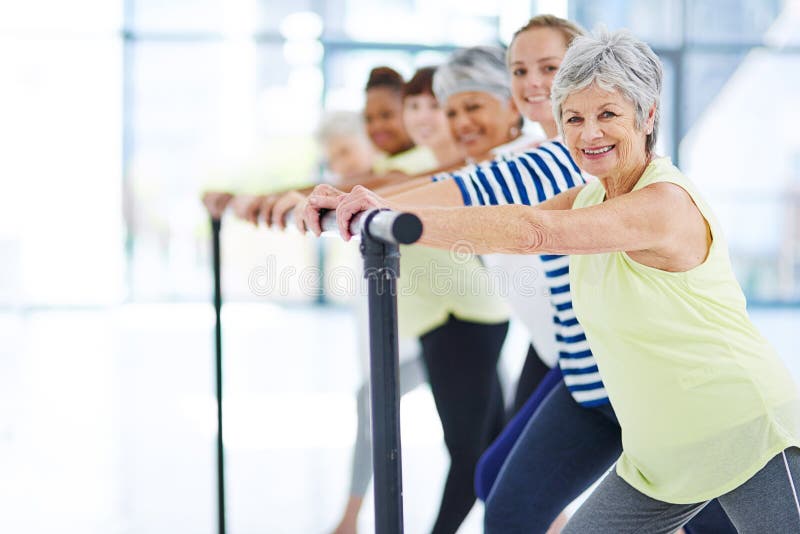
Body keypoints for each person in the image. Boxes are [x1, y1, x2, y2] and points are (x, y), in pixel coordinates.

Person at [309, 26, 800, 533]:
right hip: (662, 457)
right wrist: (384, 210)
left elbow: (531, 232)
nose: (590, 133)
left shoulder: (663, 204)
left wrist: (394, 213)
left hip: (746, 432)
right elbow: (499, 224)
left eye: (608, 114)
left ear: (648, 116)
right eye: (574, 118)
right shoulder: (591, 195)